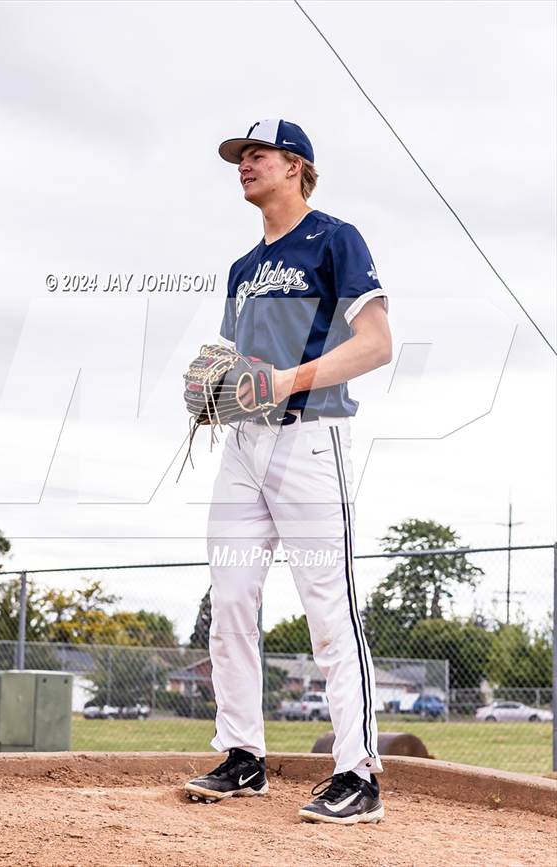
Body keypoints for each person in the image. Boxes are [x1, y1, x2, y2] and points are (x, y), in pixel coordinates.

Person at [184, 119, 392, 825]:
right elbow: (239, 366)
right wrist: (219, 388)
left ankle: (358, 773)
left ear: (296, 165)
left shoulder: (336, 238)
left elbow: (377, 344)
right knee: (231, 601)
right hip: (244, 451)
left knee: (328, 610)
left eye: (258, 154)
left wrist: (283, 381)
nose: (244, 163)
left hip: (309, 441)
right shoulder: (243, 268)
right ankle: (242, 754)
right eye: (240, 156)